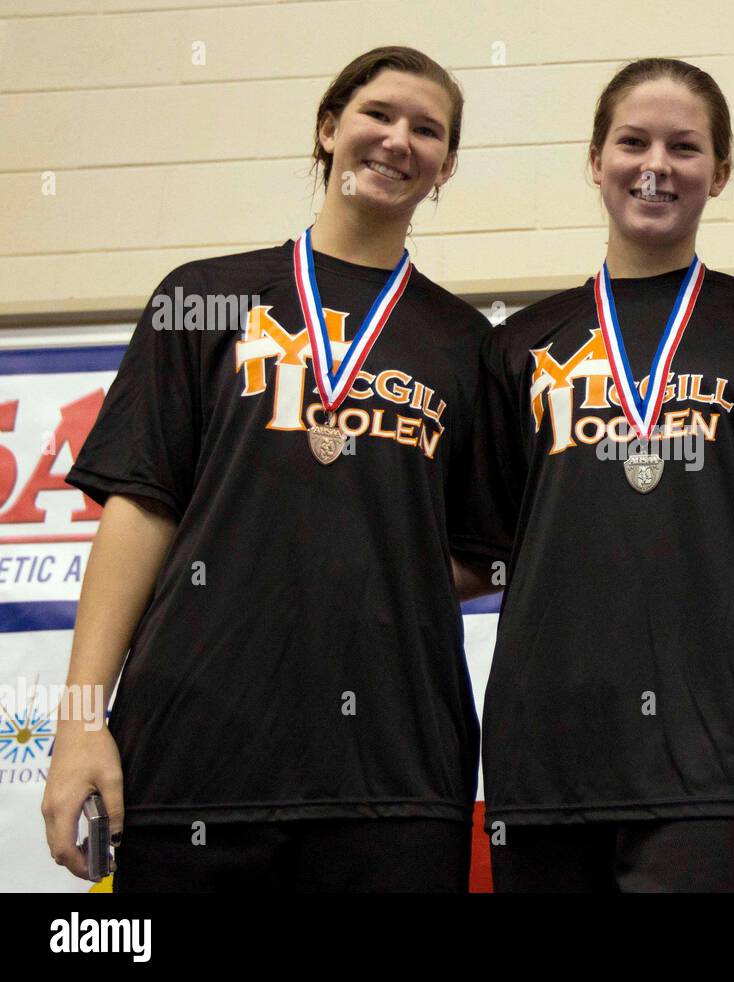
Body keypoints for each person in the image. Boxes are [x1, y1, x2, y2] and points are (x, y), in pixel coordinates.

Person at [41, 46, 487, 892]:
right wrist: (78, 725)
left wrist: (361, 574)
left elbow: (484, 547)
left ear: (445, 167)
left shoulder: (467, 345)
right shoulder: (201, 299)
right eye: (378, 115)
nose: (398, 140)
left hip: (395, 776)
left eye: (427, 130)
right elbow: (140, 512)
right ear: (328, 128)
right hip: (195, 755)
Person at [457, 58, 734, 892]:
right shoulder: (519, 344)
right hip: (549, 756)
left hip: (727, 758)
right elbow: (480, 545)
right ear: (596, 160)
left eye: (685, 146)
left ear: (720, 172)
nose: (655, 163)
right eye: (632, 141)